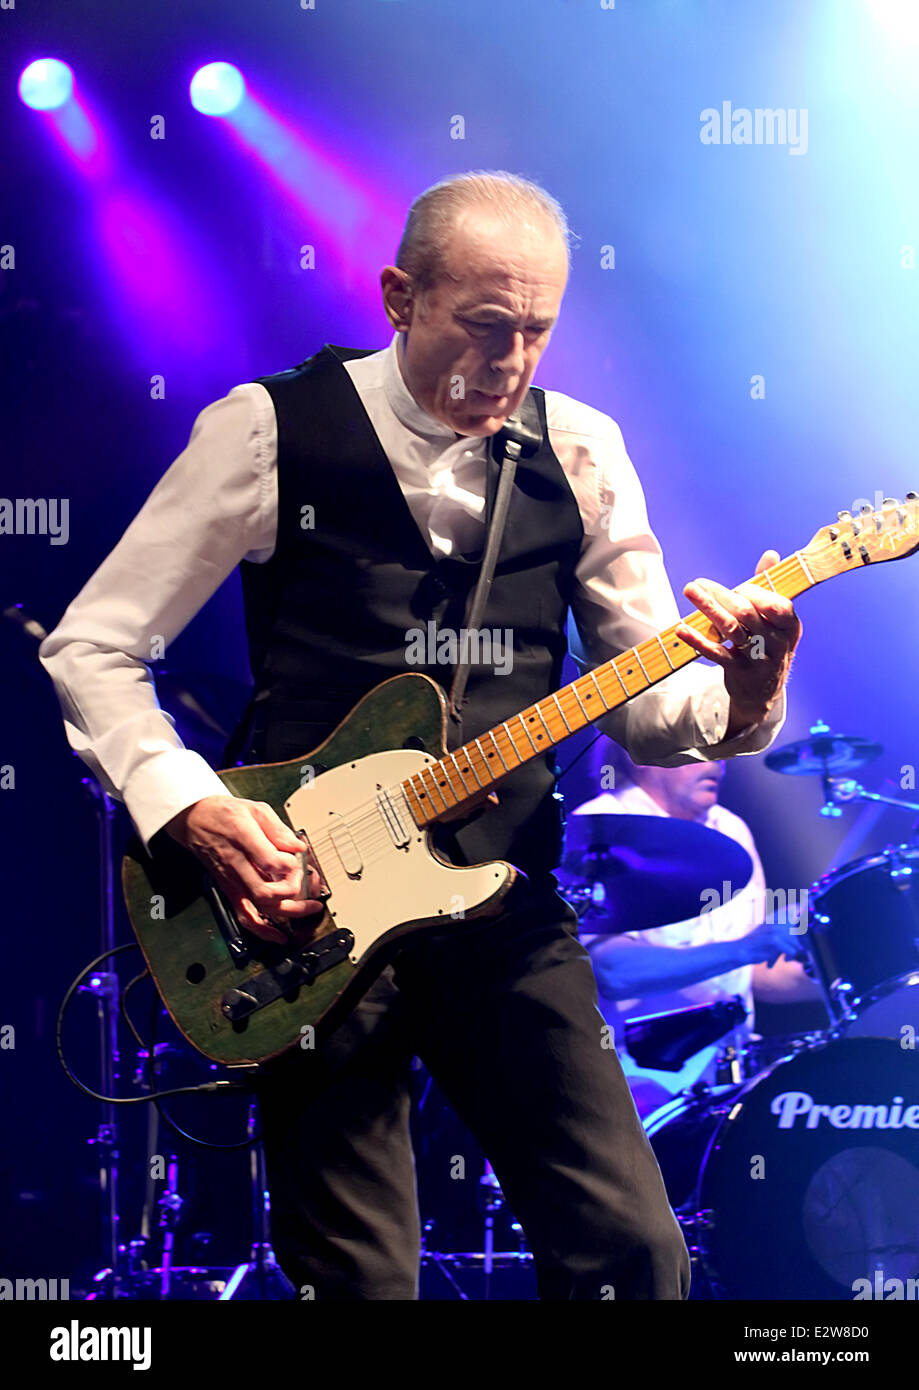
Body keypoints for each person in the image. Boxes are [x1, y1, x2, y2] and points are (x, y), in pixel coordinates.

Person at [39, 170, 801, 1300]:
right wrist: (191, 809)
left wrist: (747, 691)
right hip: (302, 910)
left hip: (502, 909)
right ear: (399, 295)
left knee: (636, 1256)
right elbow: (92, 645)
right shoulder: (267, 431)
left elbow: (650, 707)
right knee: (359, 1279)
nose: (510, 365)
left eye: (535, 334)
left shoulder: (581, 452)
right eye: (485, 328)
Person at [571, 740, 822, 1118]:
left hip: (729, 1073)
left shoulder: (731, 829)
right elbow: (613, 972)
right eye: (702, 752)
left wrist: (853, 982)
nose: (719, 766)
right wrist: (748, 948)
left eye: (722, 753)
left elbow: (751, 975)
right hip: (631, 1080)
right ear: (644, 753)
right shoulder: (598, 829)